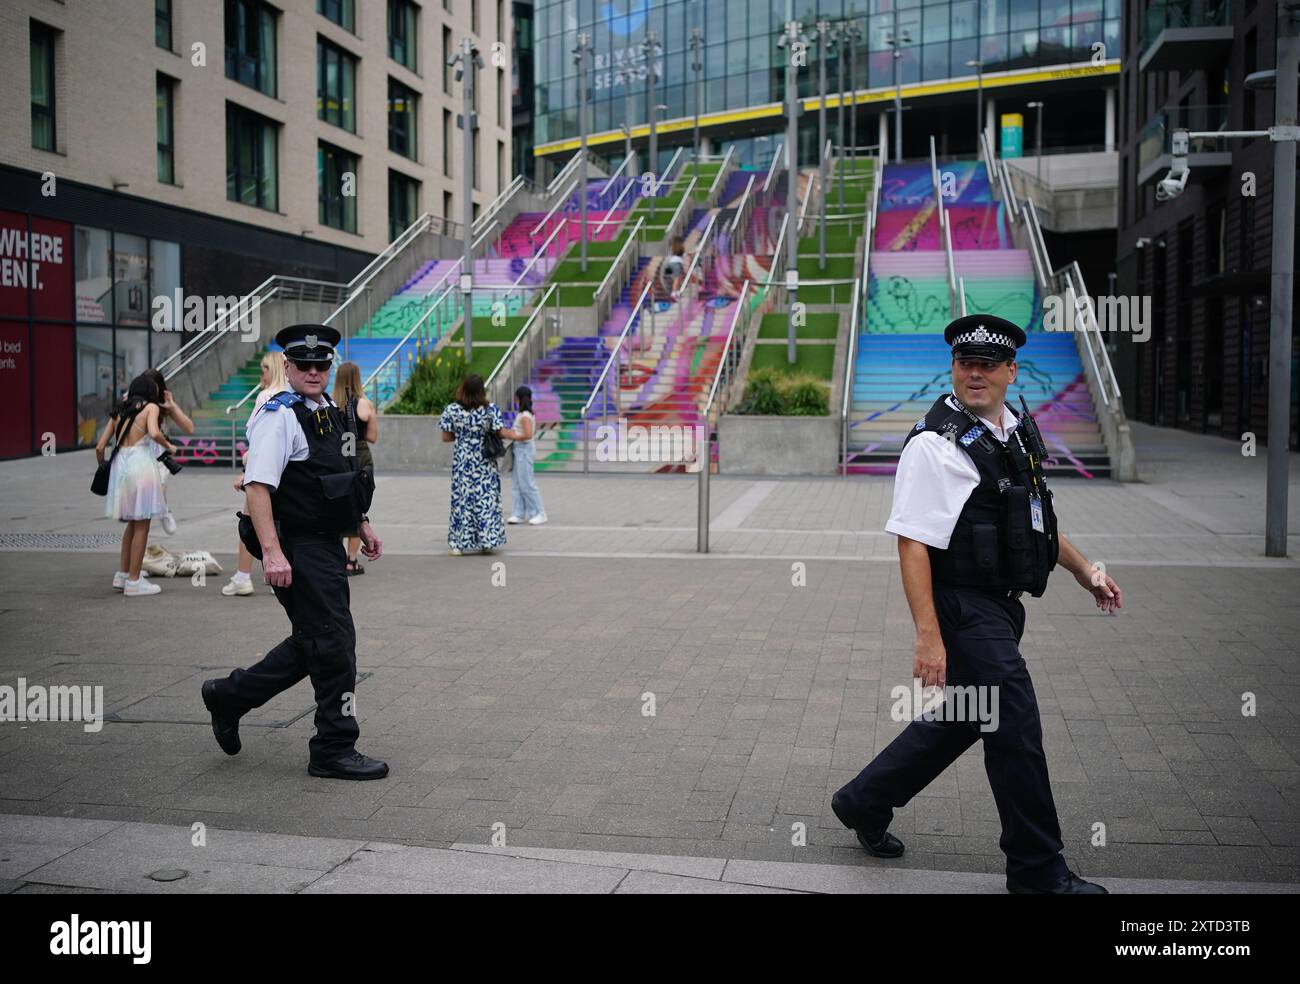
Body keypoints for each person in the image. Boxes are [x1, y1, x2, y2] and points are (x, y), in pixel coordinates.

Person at [830, 314, 1123, 895]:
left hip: (1003, 606)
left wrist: (1086, 571)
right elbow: (912, 542)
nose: (977, 374)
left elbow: (1035, 521)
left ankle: (863, 801)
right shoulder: (935, 445)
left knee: (969, 713)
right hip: (964, 607)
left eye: (989, 365)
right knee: (1013, 722)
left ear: (1012, 371)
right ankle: (1039, 873)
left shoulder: (1015, 430)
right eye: (967, 364)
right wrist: (927, 636)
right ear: (955, 368)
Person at [200, 324, 387, 781]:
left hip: (323, 539)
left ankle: (230, 695)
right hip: (295, 542)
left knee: (317, 641)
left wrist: (359, 523)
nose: (312, 371)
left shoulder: (328, 410)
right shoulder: (278, 414)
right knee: (334, 643)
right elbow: (258, 485)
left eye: (320, 364)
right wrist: (273, 552)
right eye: (302, 365)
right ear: (288, 367)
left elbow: (338, 475)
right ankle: (333, 747)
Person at [95, 374, 178, 596]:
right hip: (141, 463)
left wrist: (104, 467)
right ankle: (134, 581)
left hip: (120, 465)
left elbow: (100, 447)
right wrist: (169, 446)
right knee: (142, 523)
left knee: (131, 524)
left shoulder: (118, 411)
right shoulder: (151, 408)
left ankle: (122, 575)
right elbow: (153, 432)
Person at [223, 351, 288, 597]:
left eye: (264, 369)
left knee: (251, 524)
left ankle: (243, 576)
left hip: (261, 471)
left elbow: (257, 440)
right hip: (284, 474)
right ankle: (278, 572)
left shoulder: (266, 396)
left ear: (273, 370)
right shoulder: (292, 395)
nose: (261, 374)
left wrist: (246, 472)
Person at [439, 374, 508, 556]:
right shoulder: (490, 410)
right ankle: (487, 541)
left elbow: (446, 437)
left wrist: (462, 436)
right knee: (485, 500)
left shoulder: (452, 410)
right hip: (484, 461)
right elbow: (499, 432)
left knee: (462, 501)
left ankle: (458, 544)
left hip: (463, 461)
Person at [332, 360, 379, 575]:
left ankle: (336, 557)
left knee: (337, 503)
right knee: (358, 506)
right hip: (360, 455)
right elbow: (372, 437)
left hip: (338, 457)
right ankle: (351, 561)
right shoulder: (365, 404)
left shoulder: (331, 404)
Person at [142, 368, 195, 535]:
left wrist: (172, 408)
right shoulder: (135, 402)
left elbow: (189, 428)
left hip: (158, 454)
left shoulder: (162, 404)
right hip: (138, 455)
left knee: (159, 488)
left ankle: (164, 510)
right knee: (142, 514)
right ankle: (162, 509)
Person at [505, 384, 546, 526]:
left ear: (519, 398)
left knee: (527, 482)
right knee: (517, 483)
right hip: (519, 449)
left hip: (524, 449)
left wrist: (513, 436)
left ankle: (539, 513)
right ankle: (518, 513)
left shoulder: (525, 416)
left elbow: (528, 435)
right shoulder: (523, 415)